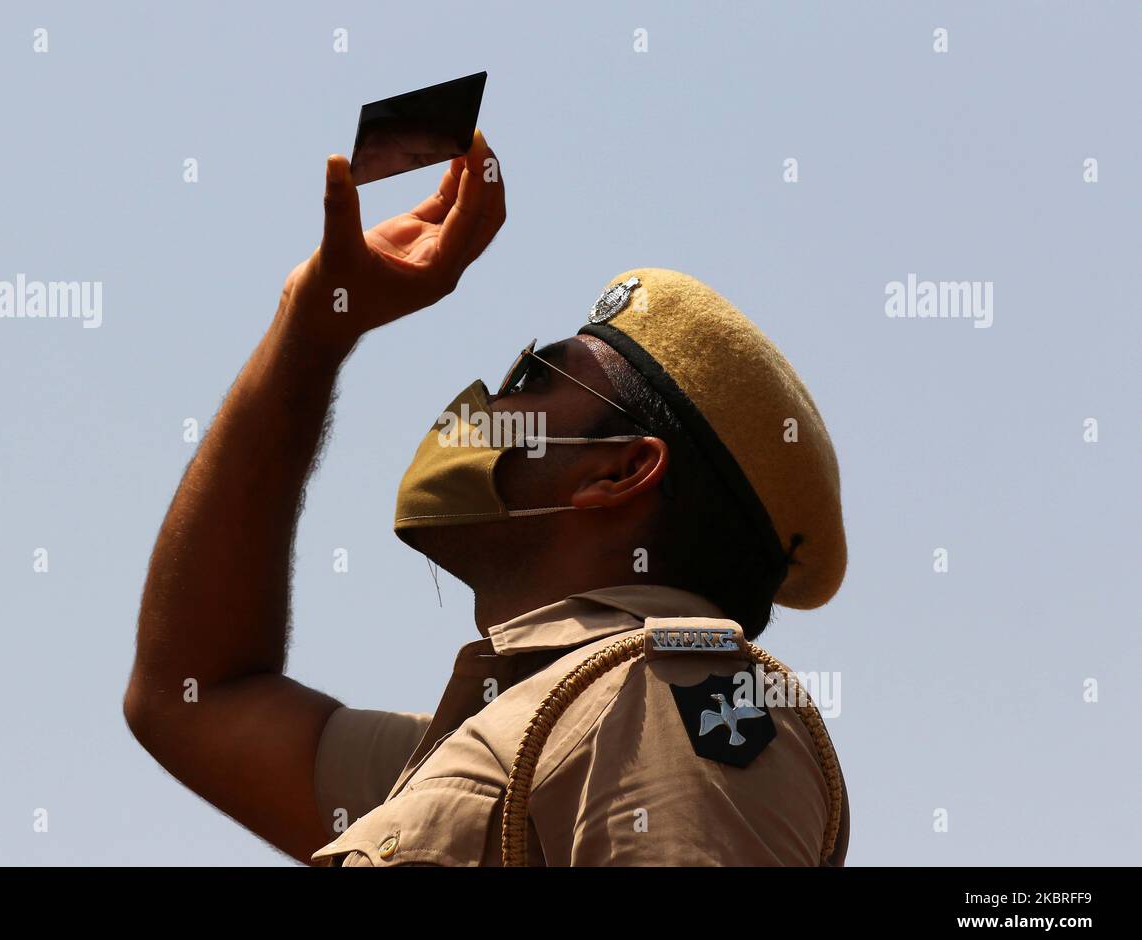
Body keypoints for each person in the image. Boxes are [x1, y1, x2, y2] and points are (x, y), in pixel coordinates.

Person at [124, 129, 850, 866]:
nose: (480, 403)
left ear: (622, 471)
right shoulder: (516, 733)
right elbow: (190, 696)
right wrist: (308, 329)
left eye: (533, 379)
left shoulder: (669, 699)